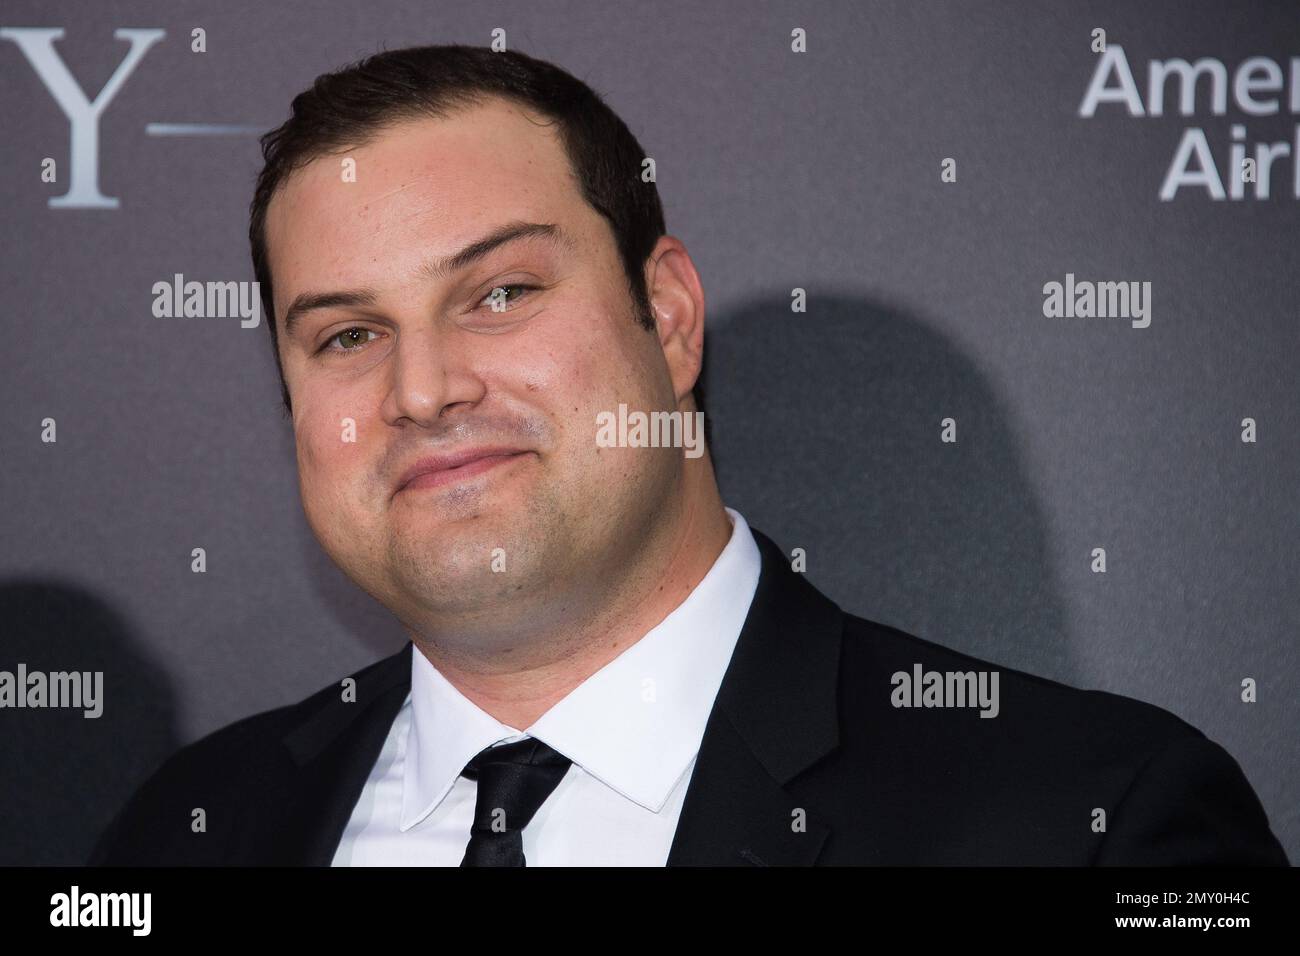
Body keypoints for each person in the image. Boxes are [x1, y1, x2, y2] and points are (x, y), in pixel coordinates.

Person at [89, 45, 1288, 866]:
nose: (423, 388)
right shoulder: (192, 826)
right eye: (348, 334)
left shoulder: (1095, 822)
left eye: (499, 291)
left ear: (665, 319)